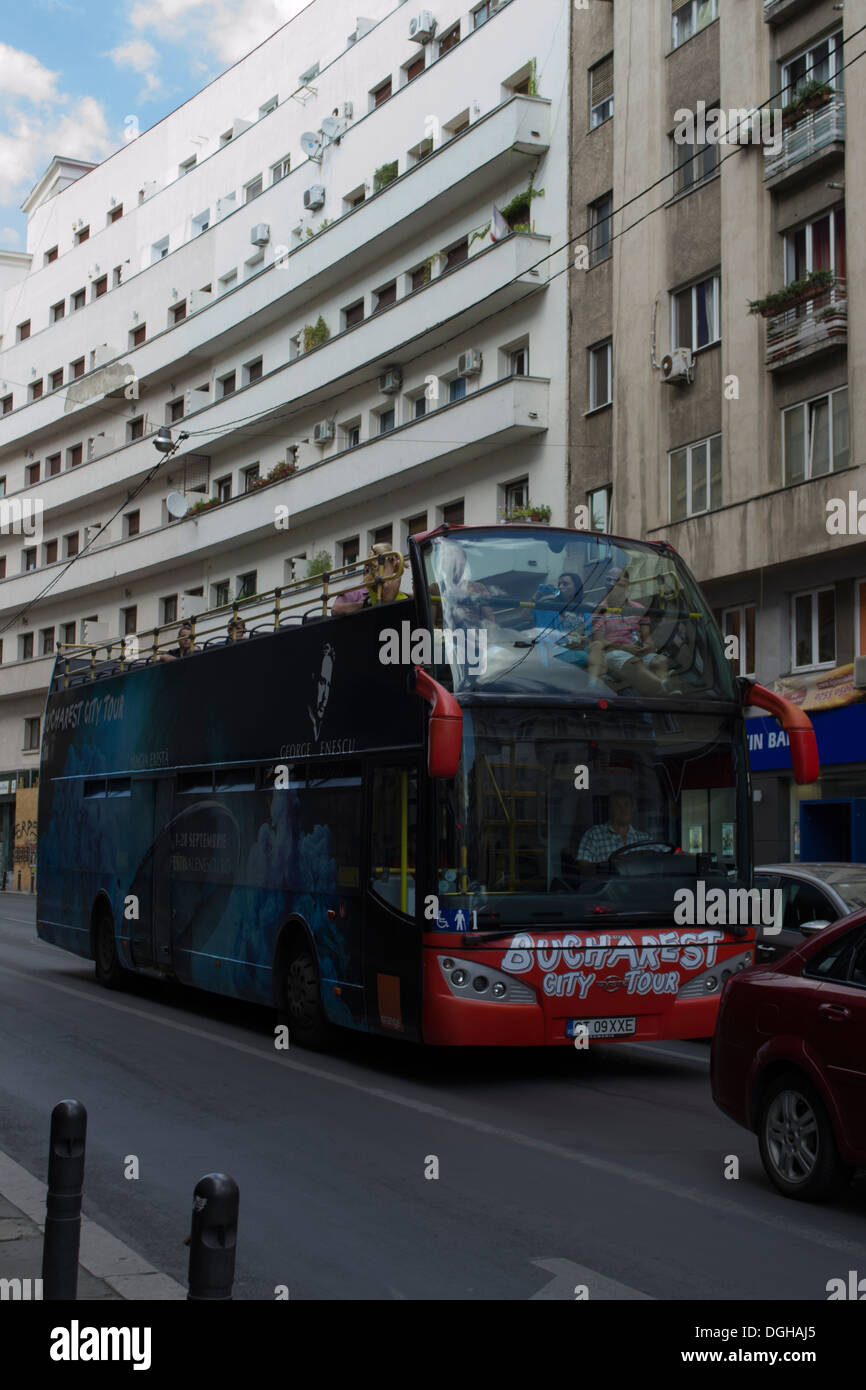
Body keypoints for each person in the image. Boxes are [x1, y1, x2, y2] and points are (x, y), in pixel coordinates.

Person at [587, 567, 674, 694]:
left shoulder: (638, 609)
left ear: (627, 583)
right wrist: (624, 647)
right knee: (635, 663)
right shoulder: (600, 609)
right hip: (613, 652)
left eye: (615, 580)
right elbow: (599, 641)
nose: (611, 583)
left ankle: (665, 689)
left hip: (638, 652)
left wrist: (647, 647)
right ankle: (664, 691)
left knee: (659, 661)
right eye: (608, 580)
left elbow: (648, 638)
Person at [576, 791, 652, 868]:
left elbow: (663, 856)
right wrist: (609, 866)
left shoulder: (645, 839)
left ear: (632, 808)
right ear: (610, 809)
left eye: (626, 804)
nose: (623, 809)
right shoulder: (593, 834)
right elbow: (583, 868)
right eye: (617, 805)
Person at [332, 544, 408, 614]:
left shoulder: (391, 575)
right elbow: (388, 599)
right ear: (389, 559)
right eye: (393, 558)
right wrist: (393, 568)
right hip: (398, 613)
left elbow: (396, 593)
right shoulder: (373, 580)